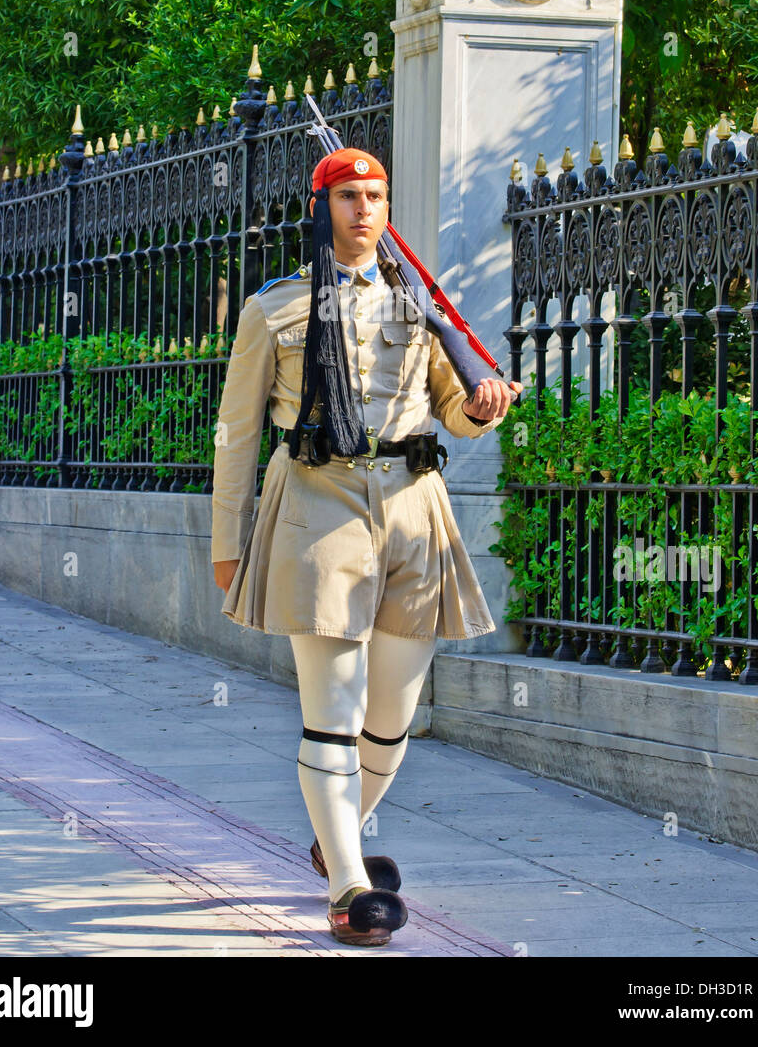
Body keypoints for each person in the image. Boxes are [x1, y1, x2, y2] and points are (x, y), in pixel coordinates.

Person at [212, 146, 519, 946]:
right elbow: (238, 435)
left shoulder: (419, 304)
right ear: (322, 208)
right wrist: (227, 539)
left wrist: (484, 407)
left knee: (394, 712)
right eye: (348, 195)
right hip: (318, 504)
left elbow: (451, 413)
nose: (364, 209)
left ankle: (338, 831)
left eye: (376, 195)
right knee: (333, 707)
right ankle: (350, 886)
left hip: (415, 508)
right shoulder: (274, 308)